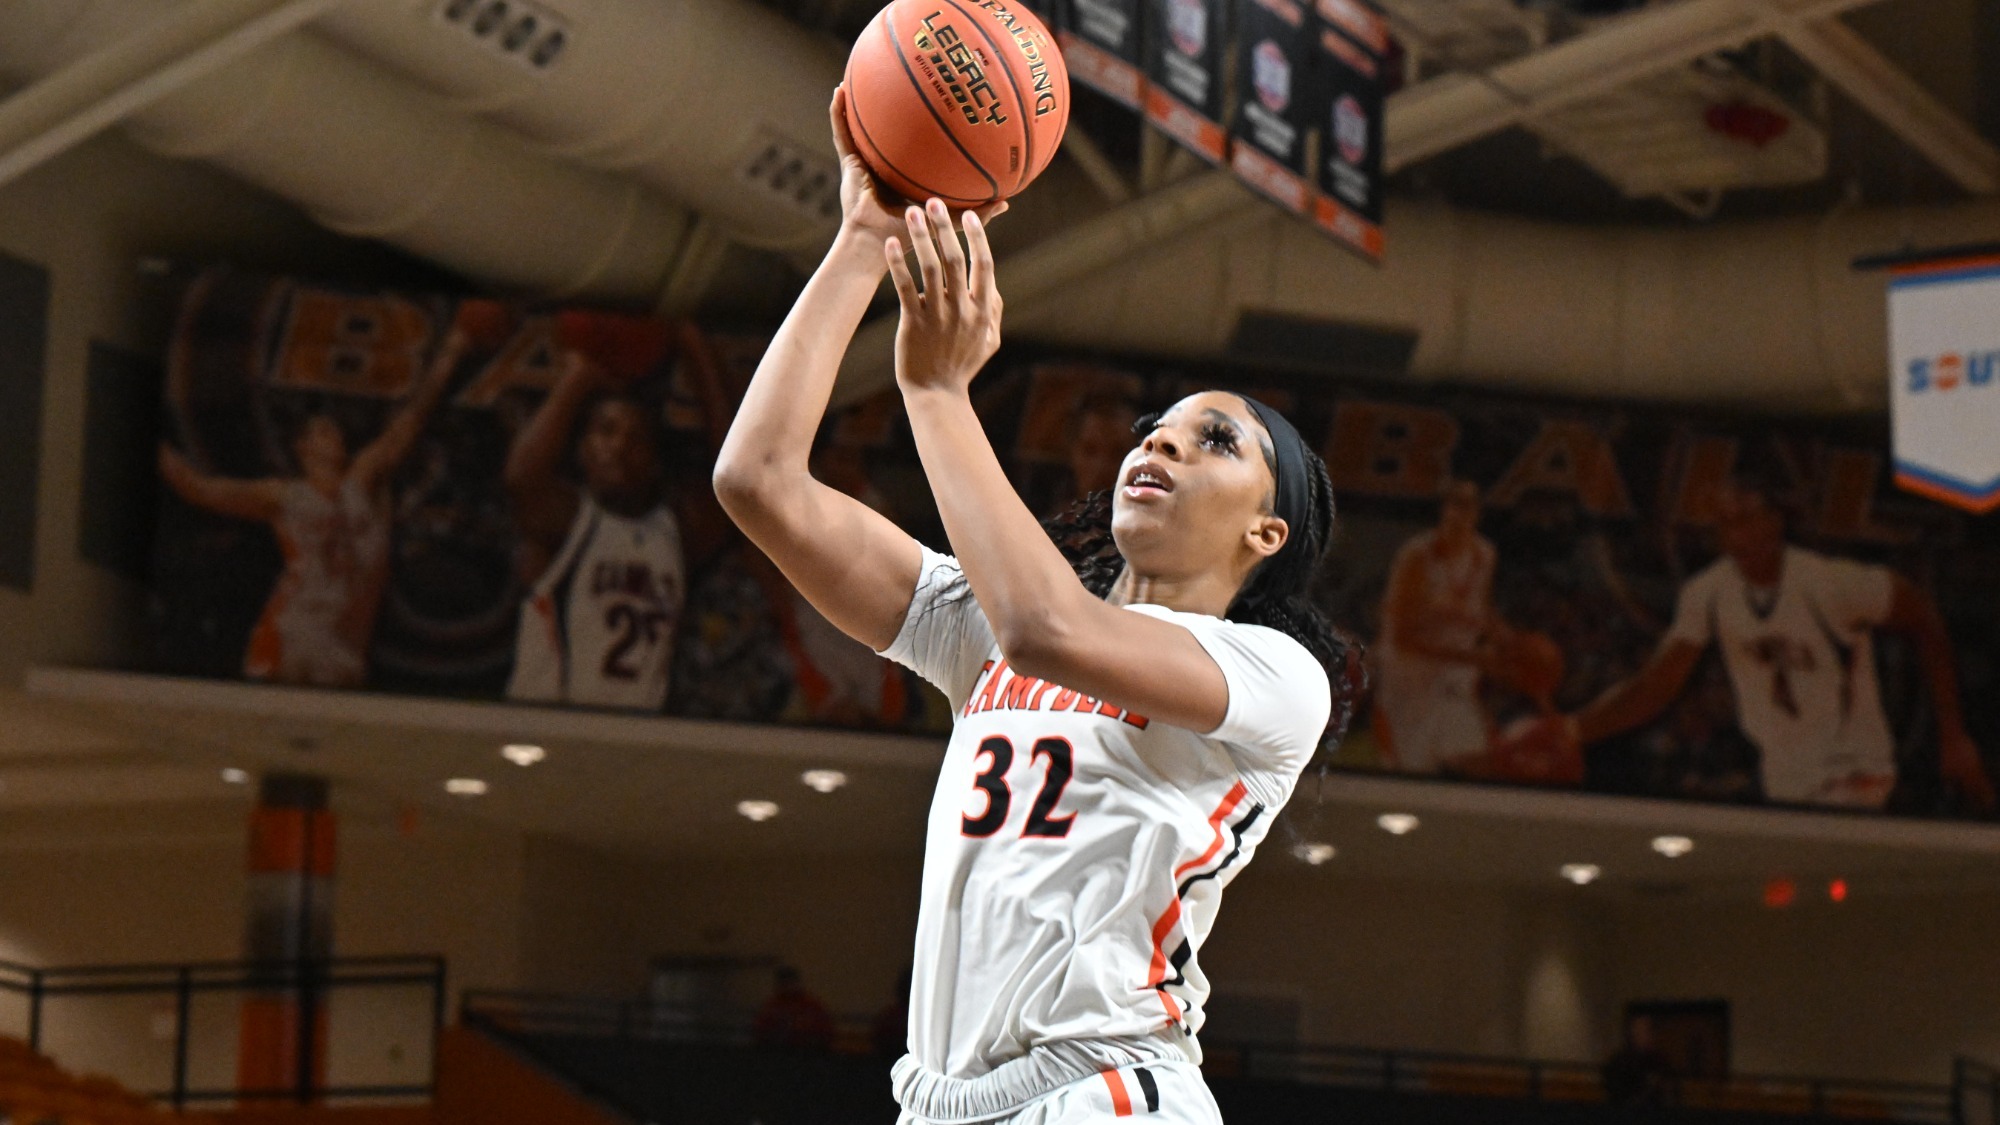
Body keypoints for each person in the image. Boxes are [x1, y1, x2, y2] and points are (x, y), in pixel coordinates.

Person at [712, 86, 1360, 1125]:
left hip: (1106, 1093)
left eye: (1214, 441)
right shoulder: (984, 623)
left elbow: (1048, 630)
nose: (1159, 443)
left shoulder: (1274, 680)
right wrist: (860, 241)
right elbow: (757, 482)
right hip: (942, 1097)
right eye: (1154, 428)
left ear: (1264, 534)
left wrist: (936, 393)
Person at [1538, 474, 1994, 810]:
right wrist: (1574, 730)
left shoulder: (1829, 583)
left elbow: (1926, 619)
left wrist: (1953, 735)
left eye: (1746, 519)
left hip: (1854, 769)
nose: (1736, 534)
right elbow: (1658, 686)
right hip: (1784, 779)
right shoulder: (1708, 592)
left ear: (1775, 521)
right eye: (1725, 524)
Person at [157, 327, 466, 688]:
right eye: (322, 431)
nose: (334, 436)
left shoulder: (361, 480)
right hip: (292, 634)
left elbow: (409, 423)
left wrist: (451, 354)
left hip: (345, 645)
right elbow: (199, 489)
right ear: (303, 447)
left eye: (335, 431)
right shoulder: (285, 496)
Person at [504, 350, 684, 710]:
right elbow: (521, 478)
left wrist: (695, 346)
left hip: (636, 734)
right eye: (607, 431)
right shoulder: (568, 519)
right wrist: (578, 377)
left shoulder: (674, 532)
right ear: (583, 449)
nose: (620, 447)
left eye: (637, 439)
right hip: (549, 723)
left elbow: (743, 481)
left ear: (653, 461)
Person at [1371, 480, 1499, 773]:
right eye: (1454, 504)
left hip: (1454, 674)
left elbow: (1481, 609)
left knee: (1472, 758)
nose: (1459, 513)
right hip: (1408, 674)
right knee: (1412, 768)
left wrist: (1501, 639)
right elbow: (1402, 638)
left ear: (1477, 513)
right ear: (1443, 510)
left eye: (1467, 505)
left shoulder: (1484, 555)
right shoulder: (1417, 557)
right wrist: (1475, 658)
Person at [751, 966, 836, 1051]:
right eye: (784, 983)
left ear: (797, 983)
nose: (788, 986)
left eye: (790, 982)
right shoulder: (772, 1006)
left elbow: (826, 1032)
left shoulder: (811, 1005)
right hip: (778, 1052)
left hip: (807, 1053)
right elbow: (760, 1031)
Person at [1601, 1015, 1677, 1106]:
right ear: (1631, 1034)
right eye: (1640, 1031)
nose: (1646, 1036)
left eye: (1648, 1031)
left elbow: (1671, 1093)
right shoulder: (1619, 1062)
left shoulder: (1660, 1062)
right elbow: (1617, 1094)